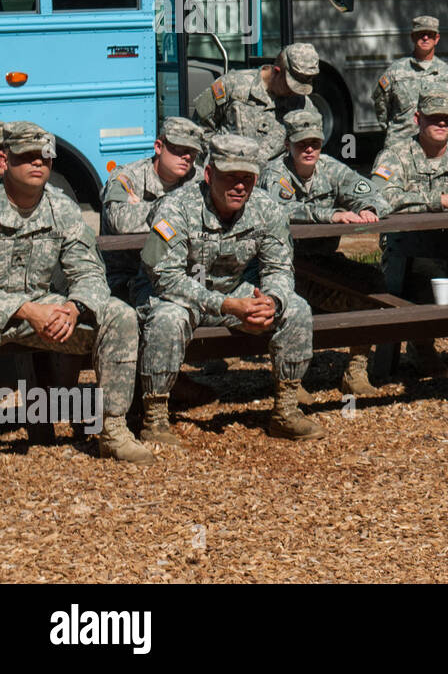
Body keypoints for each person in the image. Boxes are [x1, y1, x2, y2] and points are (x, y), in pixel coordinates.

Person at [138, 134, 322, 445]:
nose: (239, 186)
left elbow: (279, 268)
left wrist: (272, 301)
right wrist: (226, 306)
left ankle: (286, 410)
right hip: (179, 296)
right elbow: (165, 278)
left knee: (297, 307)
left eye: (247, 178)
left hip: (234, 294)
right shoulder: (175, 208)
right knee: (168, 318)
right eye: (229, 177)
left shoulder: (266, 208)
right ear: (209, 175)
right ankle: (154, 417)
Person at [0, 122, 153, 464]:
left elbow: (89, 271)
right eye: (26, 157)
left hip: (44, 312)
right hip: (14, 311)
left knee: (120, 316)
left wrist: (73, 307)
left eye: (45, 157)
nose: (38, 163)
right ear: (3, 160)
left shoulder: (62, 207)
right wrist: (25, 309)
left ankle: (112, 430)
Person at [260, 108, 392, 396]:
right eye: (301, 144)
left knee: (372, 286)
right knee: (288, 304)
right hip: (278, 266)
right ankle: (289, 382)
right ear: (287, 145)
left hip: (323, 263)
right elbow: (276, 210)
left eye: (315, 143)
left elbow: (375, 195)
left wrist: (367, 209)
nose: (309, 149)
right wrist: (329, 216)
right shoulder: (274, 173)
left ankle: (356, 370)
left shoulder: (332, 169)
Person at [370, 90, 448, 376]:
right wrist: (433, 202)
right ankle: (422, 347)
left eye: (447, 120)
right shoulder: (395, 156)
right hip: (409, 252)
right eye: (433, 119)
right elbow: (377, 197)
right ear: (417, 119)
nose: (441, 124)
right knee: (424, 276)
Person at [100, 117, 204, 307]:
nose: (187, 157)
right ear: (158, 146)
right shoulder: (128, 176)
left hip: (180, 273)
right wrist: (175, 209)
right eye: (179, 149)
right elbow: (121, 221)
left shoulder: (198, 179)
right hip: (127, 275)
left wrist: (146, 210)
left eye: (193, 152)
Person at [191, 43, 320, 165]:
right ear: (276, 71)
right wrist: (216, 163)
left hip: (274, 181)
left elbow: (310, 145)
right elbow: (200, 127)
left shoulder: (302, 103)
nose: (294, 93)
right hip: (230, 176)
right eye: (291, 86)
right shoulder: (233, 85)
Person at [372, 15, 448, 150]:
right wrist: (393, 129)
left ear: (436, 39)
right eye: (421, 34)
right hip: (400, 147)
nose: (425, 38)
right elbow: (381, 104)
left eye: (430, 34)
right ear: (413, 37)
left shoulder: (447, 74)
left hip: (436, 150)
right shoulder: (395, 71)